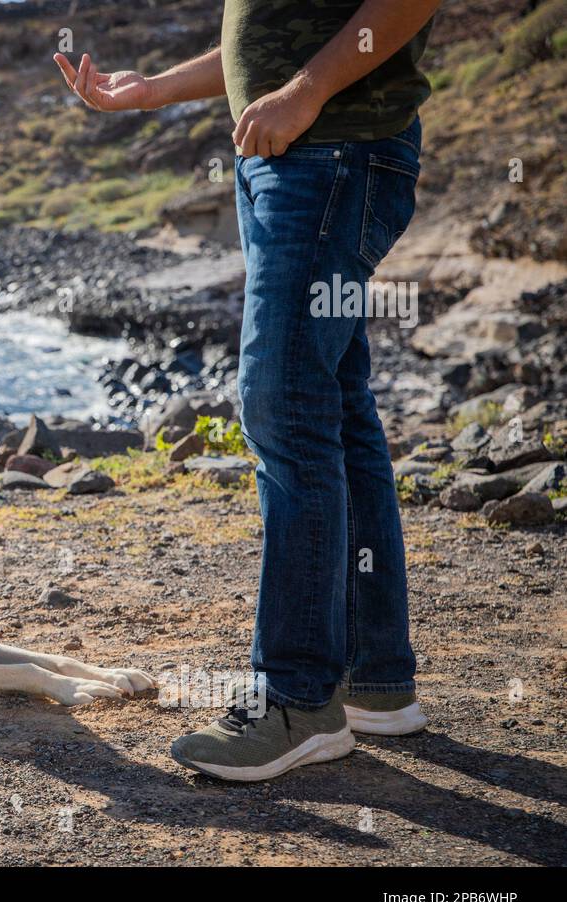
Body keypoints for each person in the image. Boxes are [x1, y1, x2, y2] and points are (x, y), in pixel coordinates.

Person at [56, 0, 442, 782]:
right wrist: (151, 89)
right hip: (289, 156)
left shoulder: (318, 116)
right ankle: (375, 679)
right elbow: (261, 38)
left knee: (284, 404)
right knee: (335, 406)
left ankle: (298, 698)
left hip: (331, 153)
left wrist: (305, 91)